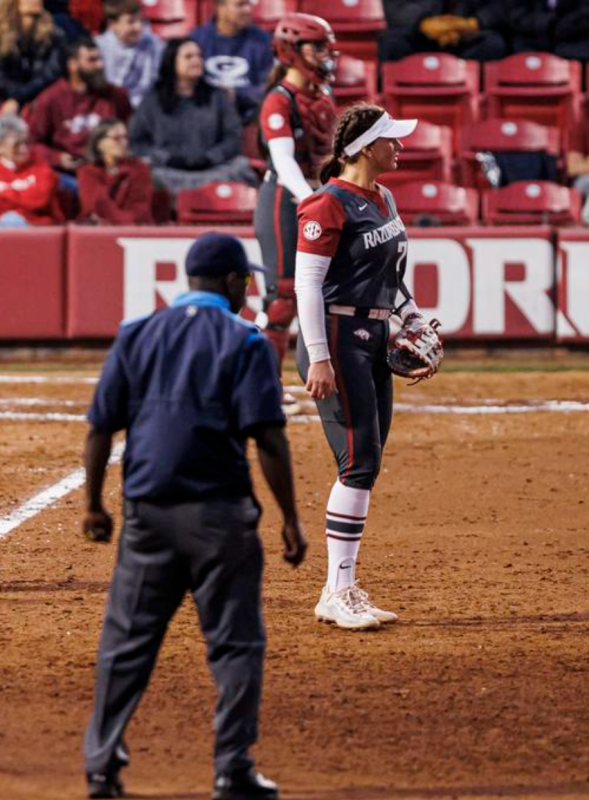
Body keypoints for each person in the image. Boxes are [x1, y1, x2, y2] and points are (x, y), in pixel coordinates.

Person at [81, 232, 307, 800]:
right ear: (232, 282)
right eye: (245, 281)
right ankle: (233, 768)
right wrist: (290, 519)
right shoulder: (248, 342)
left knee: (126, 645)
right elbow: (270, 440)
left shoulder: (136, 333)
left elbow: (100, 427)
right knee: (235, 644)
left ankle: (101, 766)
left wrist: (93, 505)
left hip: (148, 517)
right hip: (220, 517)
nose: (248, 289)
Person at [294, 103, 432, 630]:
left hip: (371, 332)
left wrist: (411, 318)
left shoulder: (384, 197)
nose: (399, 147)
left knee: (367, 459)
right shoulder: (327, 204)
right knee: (358, 460)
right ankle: (337, 590)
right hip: (334, 335)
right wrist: (320, 357)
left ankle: (342, 586)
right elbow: (308, 284)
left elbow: (392, 276)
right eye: (391, 140)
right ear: (366, 148)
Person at [253, 13, 337, 411]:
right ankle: (261, 386)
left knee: (321, 291)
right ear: (291, 50)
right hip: (284, 199)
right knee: (282, 297)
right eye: (316, 46)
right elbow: (282, 159)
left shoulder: (321, 96)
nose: (325, 53)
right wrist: (309, 197)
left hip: (314, 195)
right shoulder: (279, 98)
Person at [129, 37, 255, 194]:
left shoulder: (217, 96)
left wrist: (211, 157)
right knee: (142, 174)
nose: (197, 61)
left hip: (213, 172)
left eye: (199, 56)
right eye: (189, 57)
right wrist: (166, 158)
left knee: (241, 166)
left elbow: (233, 137)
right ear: (171, 62)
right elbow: (137, 141)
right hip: (168, 173)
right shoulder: (152, 100)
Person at [26, 38, 131, 191]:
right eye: (92, 60)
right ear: (73, 65)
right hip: (69, 174)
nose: (100, 65)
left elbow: (131, 134)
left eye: (100, 59)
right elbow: (32, 143)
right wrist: (57, 158)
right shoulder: (51, 98)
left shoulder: (117, 96)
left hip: (108, 171)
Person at [0, 113, 62, 226]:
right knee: (10, 220)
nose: (24, 149)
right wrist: (20, 202)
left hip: (38, 232)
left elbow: (40, 201)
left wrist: (5, 199)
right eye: (17, 145)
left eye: (26, 142)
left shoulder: (42, 168)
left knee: (12, 220)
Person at [190, 0, 274, 123]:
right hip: (202, 119)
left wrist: (237, 94)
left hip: (248, 118)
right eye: (240, 4)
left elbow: (269, 89)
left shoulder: (264, 41)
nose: (248, 10)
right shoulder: (196, 40)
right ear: (220, 7)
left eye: (249, 4)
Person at [0, 0, 66, 113]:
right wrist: (15, 99)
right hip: (4, 99)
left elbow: (51, 74)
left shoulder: (55, 36)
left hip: (42, 99)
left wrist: (19, 99)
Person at [377, 1, 508, 63]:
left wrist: (476, 22)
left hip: (465, 37)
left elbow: (500, 6)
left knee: (494, 44)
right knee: (391, 43)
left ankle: (475, 107)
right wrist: (423, 23)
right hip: (419, 36)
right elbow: (395, 8)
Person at [76, 118, 153, 224]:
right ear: (99, 144)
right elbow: (95, 206)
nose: (123, 142)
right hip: (100, 232)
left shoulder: (140, 168)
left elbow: (139, 209)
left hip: (134, 230)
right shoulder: (87, 171)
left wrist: (120, 224)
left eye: (125, 137)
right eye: (116, 138)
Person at [94, 0, 164, 110]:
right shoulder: (98, 47)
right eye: (131, 22)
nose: (138, 27)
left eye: (141, 20)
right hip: (110, 109)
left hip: (146, 109)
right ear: (112, 25)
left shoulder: (155, 45)